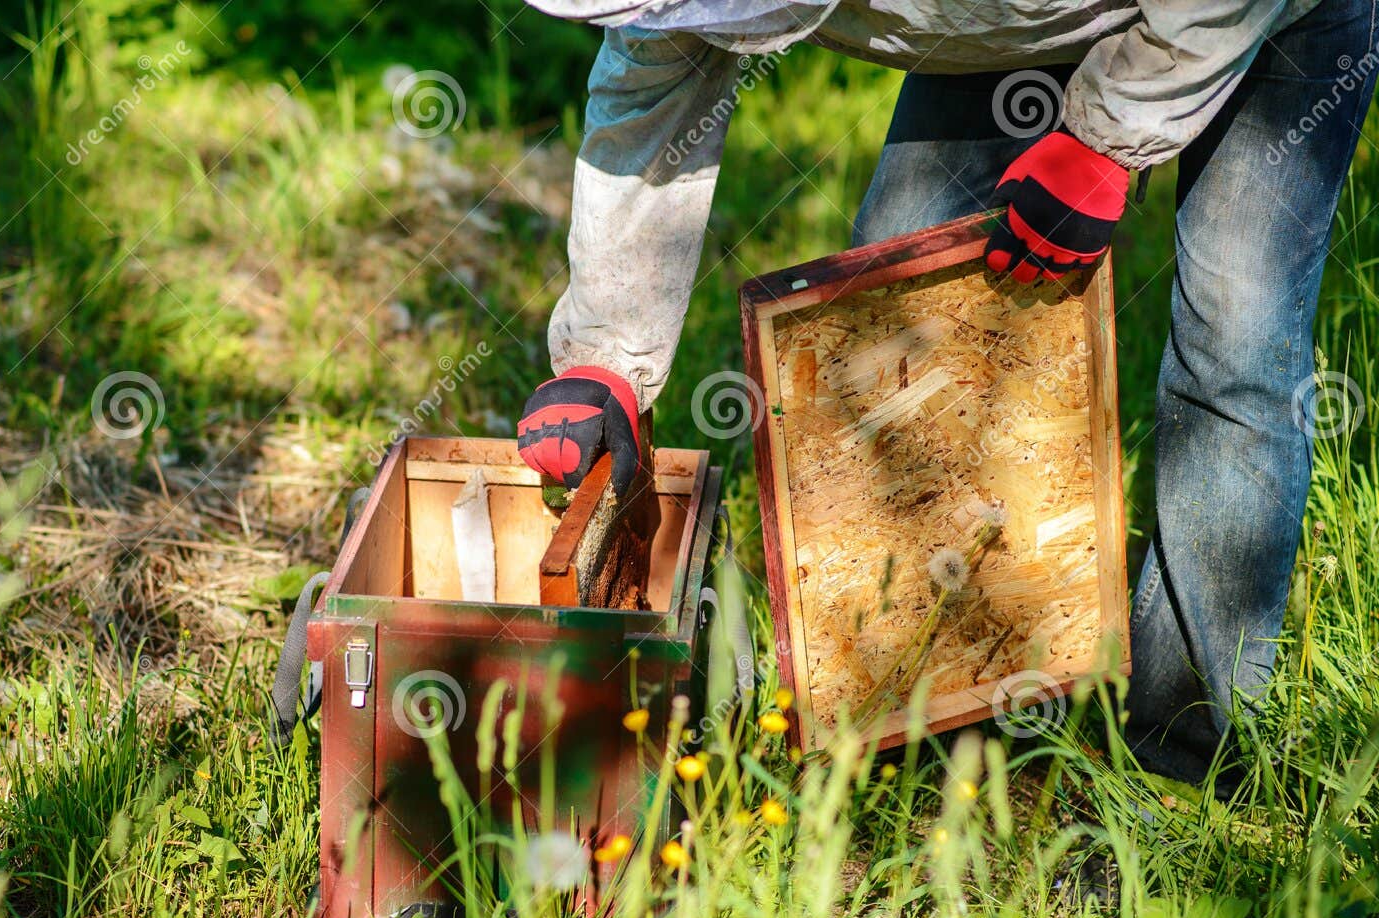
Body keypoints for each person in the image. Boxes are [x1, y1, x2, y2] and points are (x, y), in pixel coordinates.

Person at [514, 0, 1378, 791]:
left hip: (1263, 15)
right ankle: (938, 716)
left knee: (1236, 338)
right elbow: (652, 87)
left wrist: (1109, 137)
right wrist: (603, 356)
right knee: (889, 307)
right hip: (1017, 24)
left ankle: (1191, 753)